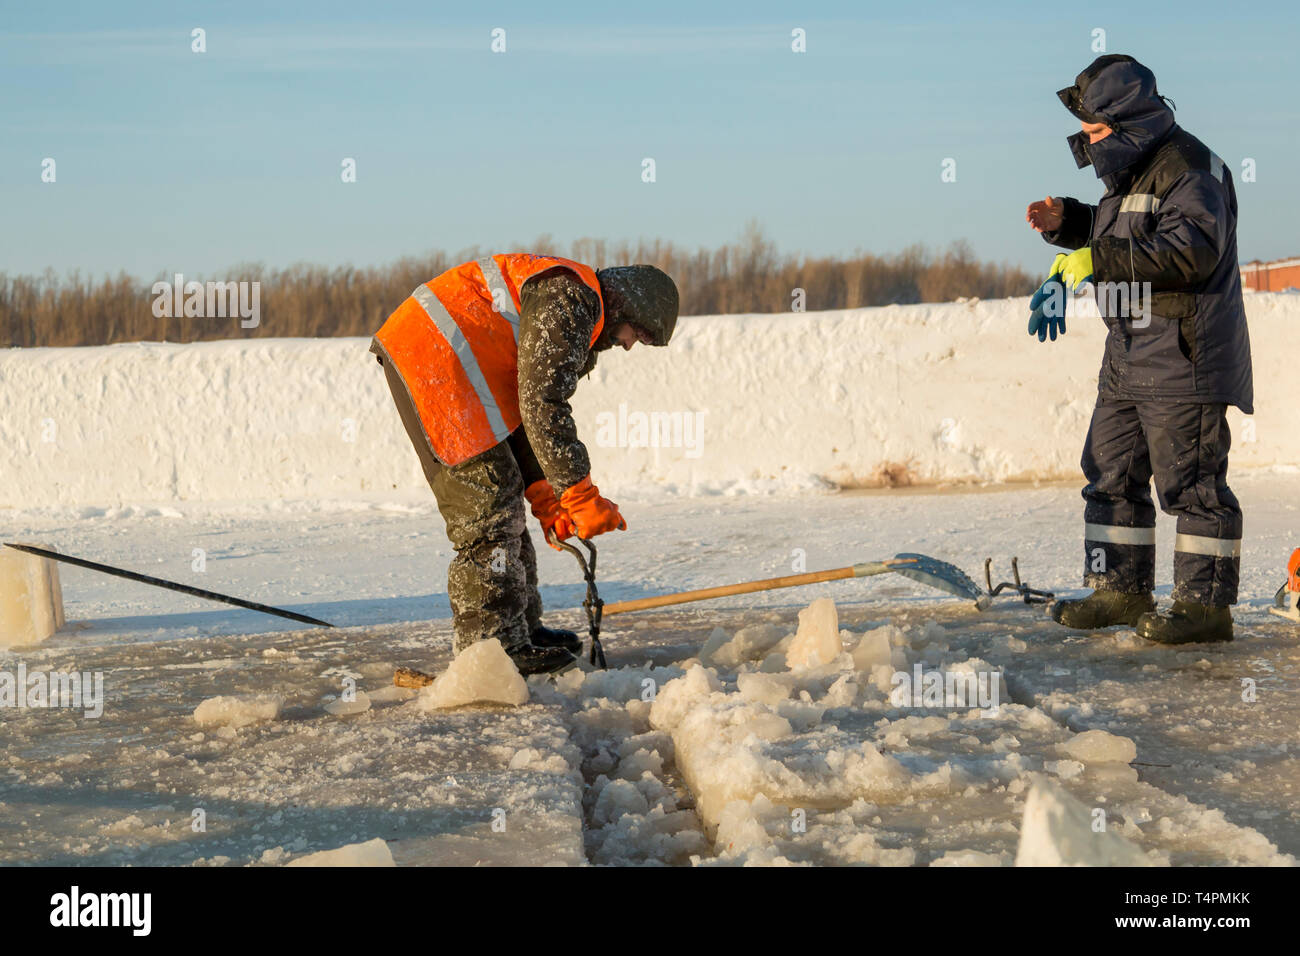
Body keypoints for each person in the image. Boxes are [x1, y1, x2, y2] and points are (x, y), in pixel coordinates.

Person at [1024, 54, 1252, 644]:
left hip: (1184, 351)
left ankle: (1204, 608)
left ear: (1129, 123)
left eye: (1096, 131)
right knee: (1109, 473)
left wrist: (1093, 259)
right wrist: (1069, 223)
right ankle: (1118, 591)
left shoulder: (1191, 167)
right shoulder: (1133, 169)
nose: (1087, 141)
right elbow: (1125, 235)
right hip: (1128, 352)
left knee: (1191, 485)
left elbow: (1188, 252)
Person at [371, 255, 679, 673]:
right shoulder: (570, 299)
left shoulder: (572, 307)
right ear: (626, 307)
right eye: (636, 335)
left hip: (458, 362)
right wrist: (578, 493)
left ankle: (519, 630)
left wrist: (547, 499)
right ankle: (489, 651)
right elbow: (542, 406)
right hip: (431, 356)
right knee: (488, 509)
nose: (627, 345)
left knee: (508, 498)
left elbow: (523, 417)